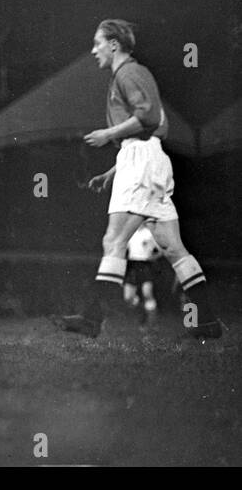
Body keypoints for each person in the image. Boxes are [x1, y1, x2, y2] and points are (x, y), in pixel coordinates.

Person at [56, 19, 222, 339]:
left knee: (114, 242)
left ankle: (92, 319)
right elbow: (156, 128)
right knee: (174, 248)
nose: (94, 50)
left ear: (114, 44)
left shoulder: (128, 73)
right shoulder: (139, 73)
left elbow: (145, 116)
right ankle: (207, 321)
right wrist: (113, 172)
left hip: (140, 160)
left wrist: (109, 134)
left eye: (98, 43)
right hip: (150, 160)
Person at [123, 224, 162, 326]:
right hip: (132, 264)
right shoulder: (130, 231)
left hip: (145, 265)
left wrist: (153, 257)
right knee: (128, 297)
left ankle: (152, 322)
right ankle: (143, 311)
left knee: (147, 294)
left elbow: (161, 249)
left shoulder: (149, 232)